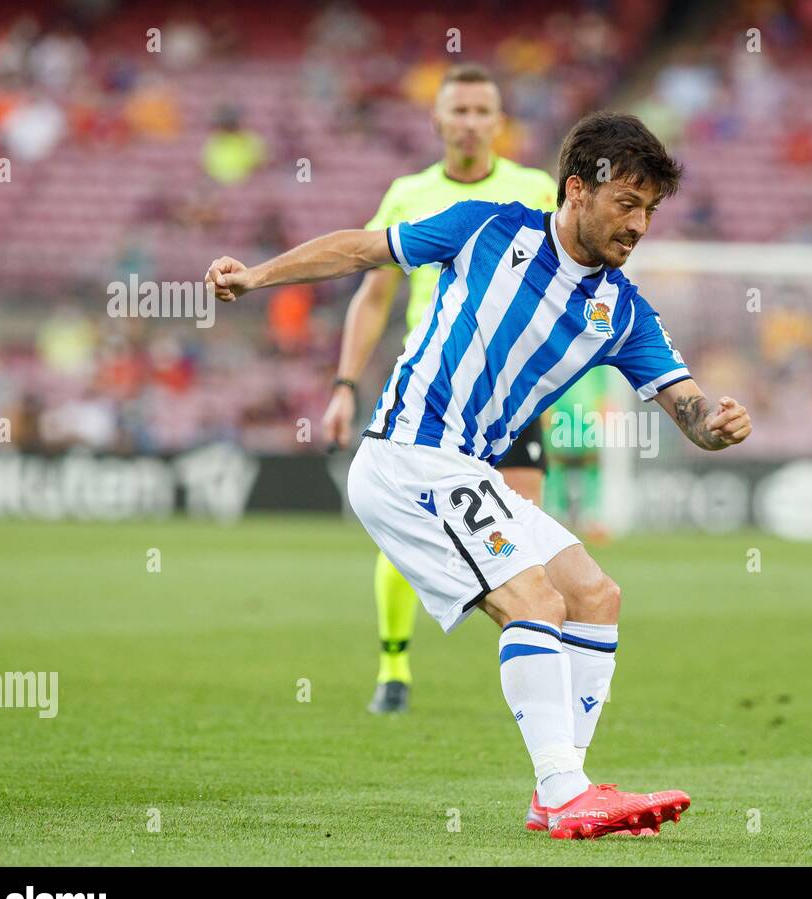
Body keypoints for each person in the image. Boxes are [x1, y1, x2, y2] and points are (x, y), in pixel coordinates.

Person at [207, 111, 751, 839]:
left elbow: (686, 408)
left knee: (594, 594)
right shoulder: (487, 229)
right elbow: (360, 252)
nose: (639, 224)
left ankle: (561, 788)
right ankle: (564, 790)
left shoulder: (622, 313)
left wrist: (713, 427)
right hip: (409, 454)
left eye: (650, 209)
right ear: (576, 191)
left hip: (469, 471)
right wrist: (258, 276)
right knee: (532, 600)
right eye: (627, 203)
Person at [321, 63, 558, 715]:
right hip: (430, 394)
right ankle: (394, 666)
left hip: (509, 395)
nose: (472, 122)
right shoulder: (409, 194)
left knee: (525, 530)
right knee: (410, 525)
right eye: (460, 110)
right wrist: (344, 383)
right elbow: (373, 299)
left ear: (500, 121)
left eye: (484, 110)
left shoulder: (535, 189)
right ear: (438, 120)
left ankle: (529, 663)